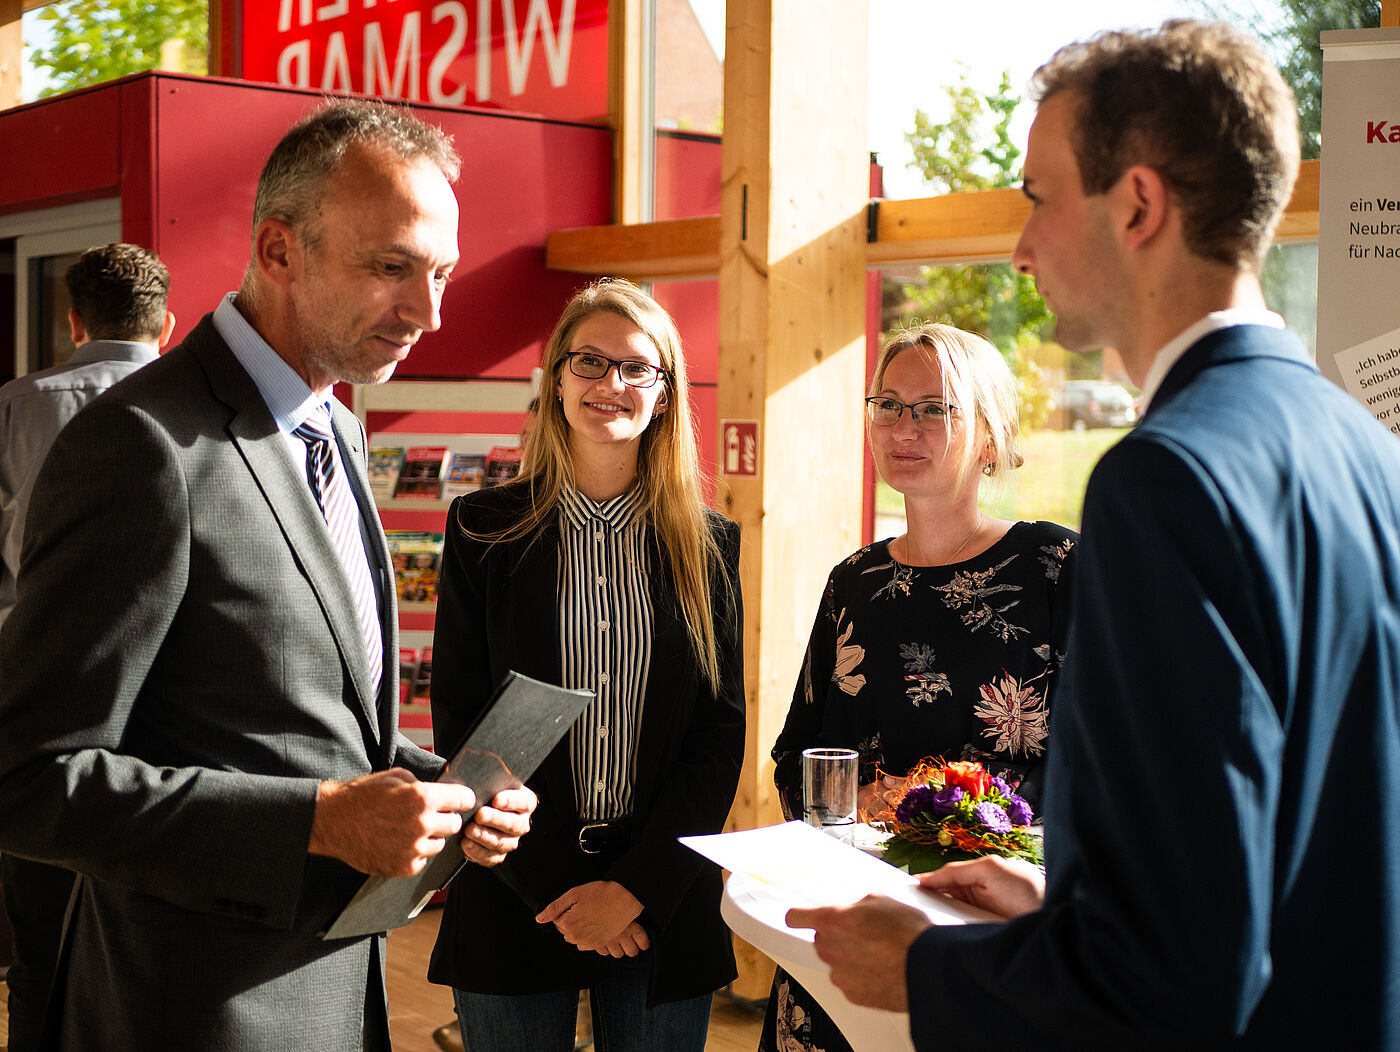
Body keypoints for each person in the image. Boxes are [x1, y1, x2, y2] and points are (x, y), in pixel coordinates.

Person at [788, 18, 1400, 1050]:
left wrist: (925, 965)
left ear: (1137, 204)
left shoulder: (1164, 478)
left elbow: (1174, 972)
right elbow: (1272, 857)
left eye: (1035, 195)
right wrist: (1051, 905)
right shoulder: (1361, 444)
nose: (1020, 243)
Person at [0, 99, 536, 1051]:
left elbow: (306, 725)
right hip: (191, 1013)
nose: (430, 312)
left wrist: (440, 789)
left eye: (441, 272)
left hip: (337, 994)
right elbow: (30, 778)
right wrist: (320, 823)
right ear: (280, 251)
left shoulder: (332, 424)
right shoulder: (143, 445)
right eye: (391, 267)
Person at [426, 277, 745, 1051]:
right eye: (591, 363)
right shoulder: (483, 529)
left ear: (665, 395)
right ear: (557, 380)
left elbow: (717, 736)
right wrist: (563, 894)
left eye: (638, 368)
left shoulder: (709, 543)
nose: (613, 384)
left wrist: (634, 890)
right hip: (518, 888)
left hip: (661, 899)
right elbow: (465, 722)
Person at [759, 323, 1076, 1052]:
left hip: (993, 929)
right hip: (860, 909)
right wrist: (857, 800)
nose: (906, 427)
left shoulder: (1055, 565)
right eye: (889, 405)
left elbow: (1113, 761)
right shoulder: (856, 581)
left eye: (936, 408)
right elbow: (798, 755)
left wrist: (963, 818)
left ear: (991, 438)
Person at [0, 242, 175, 1052]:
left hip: (29, 686)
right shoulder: (193, 409)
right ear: (168, 324)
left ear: (74, 321)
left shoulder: (15, 405)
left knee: (37, 929)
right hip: (166, 708)